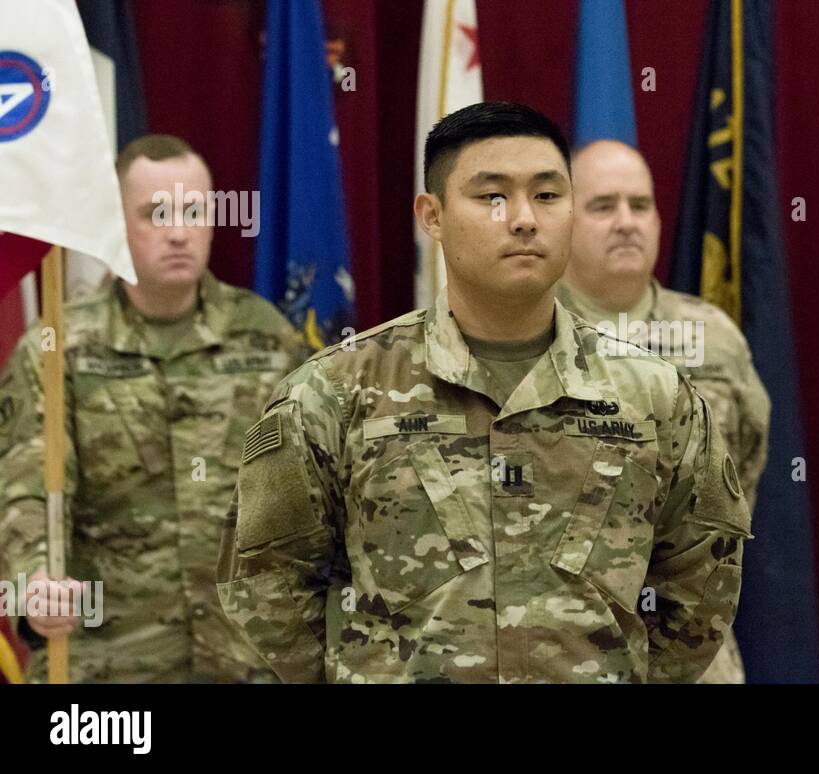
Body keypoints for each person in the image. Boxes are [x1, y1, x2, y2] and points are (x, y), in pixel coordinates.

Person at [216, 102, 751, 684]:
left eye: (547, 196)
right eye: (492, 196)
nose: (523, 218)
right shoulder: (336, 391)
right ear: (433, 214)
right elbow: (264, 579)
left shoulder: (654, 396)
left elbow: (701, 588)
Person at [0, 134, 310, 682]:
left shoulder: (266, 339)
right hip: (111, 657)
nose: (178, 232)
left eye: (194, 211)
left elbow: (314, 487)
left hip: (245, 656)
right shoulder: (60, 348)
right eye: (156, 213)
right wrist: (35, 580)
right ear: (117, 225)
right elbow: (28, 483)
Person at [557, 139, 769, 683]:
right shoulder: (524, 335)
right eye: (603, 206)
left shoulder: (713, 338)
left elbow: (741, 473)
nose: (626, 222)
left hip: (691, 643)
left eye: (641, 205)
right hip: (552, 643)